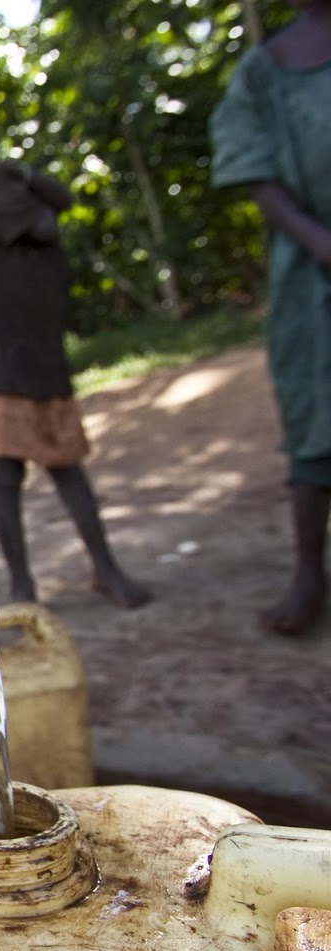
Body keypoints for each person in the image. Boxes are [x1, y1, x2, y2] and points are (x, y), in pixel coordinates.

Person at [0, 88, 149, 609]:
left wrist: (18, 176)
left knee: (26, 467)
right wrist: (18, 178)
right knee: (33, 466)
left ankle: (69, 577)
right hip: (7, 352)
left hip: (21, 346)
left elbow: (60, 198)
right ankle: (63, 578)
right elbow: (44, 222)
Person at [211, 2, 331, 635]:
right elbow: (251, 169)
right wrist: (318, 241)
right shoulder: (266, 70)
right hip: (313, 279)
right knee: (315, 415)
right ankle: (310, 573)